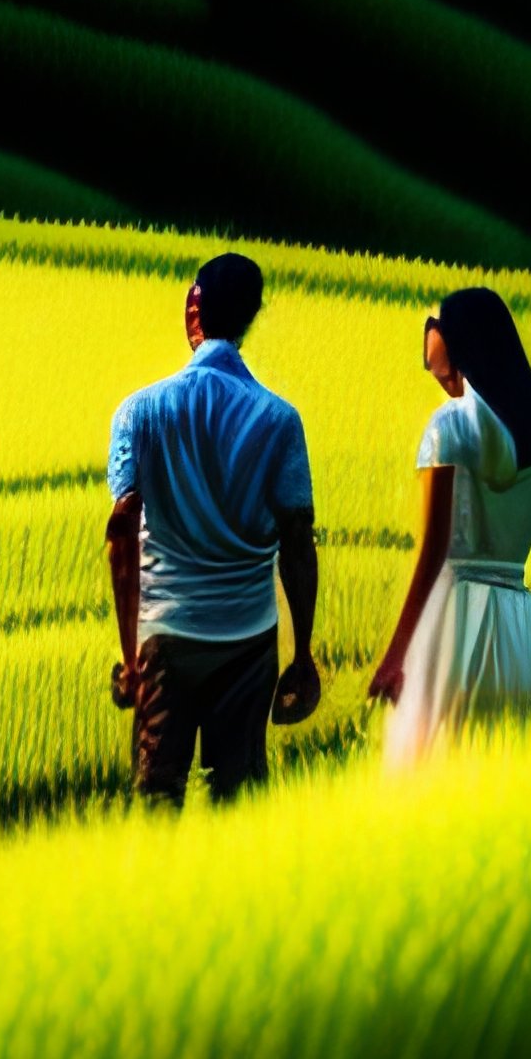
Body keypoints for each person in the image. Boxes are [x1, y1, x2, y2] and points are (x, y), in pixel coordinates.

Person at [105, 251, 320, 806]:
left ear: (192, 307)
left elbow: (122, 533)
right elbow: (297, 540)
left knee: (157, 796)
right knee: (240, 802)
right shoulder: (280, 420)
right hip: (249, 639)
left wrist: (130, 656)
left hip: (166, 637)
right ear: (252, 316)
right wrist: (302, 654)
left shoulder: (140, 412)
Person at [368, 283, 531, 765]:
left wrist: (397, 653)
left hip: (455, 622)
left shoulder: (449, 426)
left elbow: (434, 549)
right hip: (522, 631)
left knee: (433, 771)